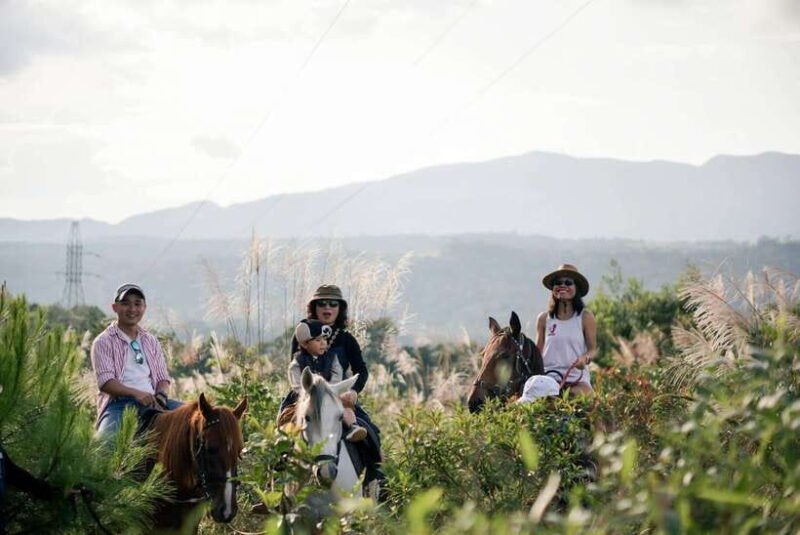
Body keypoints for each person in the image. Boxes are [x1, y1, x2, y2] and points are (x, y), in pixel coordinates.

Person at [287, 285, 385, 491]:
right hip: (303, 398)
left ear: (340, 308)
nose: (327, 307)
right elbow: (295, 367)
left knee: (371, 432)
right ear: (314, 307)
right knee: (281, 432)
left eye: (333, 303)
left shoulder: (346, 339)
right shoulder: (300, 335)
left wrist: (353, 392)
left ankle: (377, 483)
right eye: (322, 303)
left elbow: (361, 370)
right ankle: (276, 492)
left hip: (339, 397)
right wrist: (305, 394)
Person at [90, 283, 182, 439]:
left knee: (198, 419)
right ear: (115, 307)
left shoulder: (151, 340)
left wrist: (161, 395)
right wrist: (136, 394)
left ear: (144, 308)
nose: (132, 309)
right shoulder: (103, 341)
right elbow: (106, 382)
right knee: (104, 446)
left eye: (137, 304)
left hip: (153, 402)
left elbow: (162, 378)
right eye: (125, 304)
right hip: (118, 405)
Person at [282, 319, 367, 442]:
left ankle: (353, 426)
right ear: (305, 344)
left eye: (325, 340)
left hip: (329, 394)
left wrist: (329, 391)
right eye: (318, 340)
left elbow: (336, 376)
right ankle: (286, 440)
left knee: (345, 407)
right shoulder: (297, 363)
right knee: (287, 415)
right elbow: (297, 385)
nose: (323, 343)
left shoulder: (332, 358)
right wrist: (310, 394)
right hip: (304, 397)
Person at [535, 265, 597, 396]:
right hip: (547, 379)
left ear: (577, 289)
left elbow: (593, 350)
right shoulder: (543, 319)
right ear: (553, 288)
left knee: (588, 403)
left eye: (568, 283)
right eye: (558, 283)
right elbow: (537, 353)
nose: (563, 285)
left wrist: (584, 359)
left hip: (577, 380)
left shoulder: (585, 317)